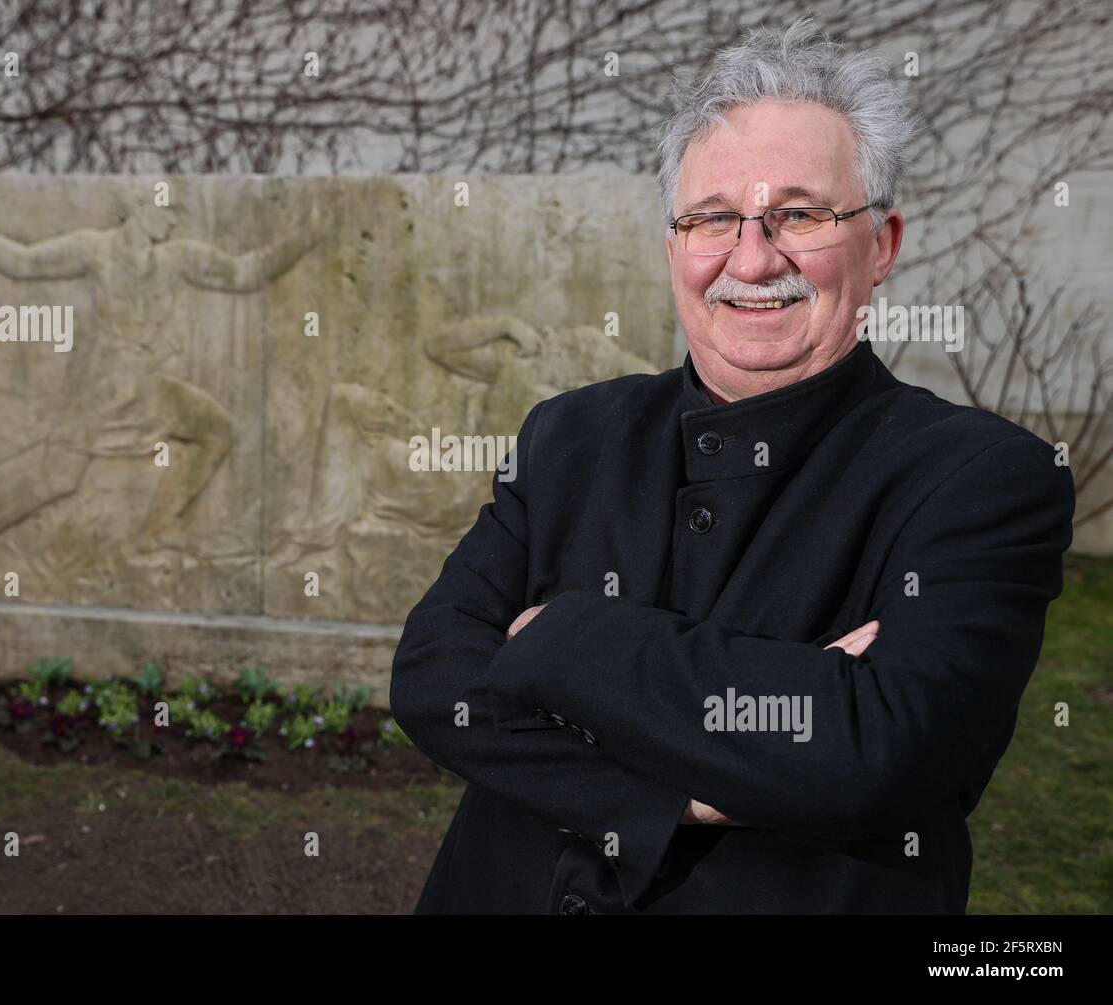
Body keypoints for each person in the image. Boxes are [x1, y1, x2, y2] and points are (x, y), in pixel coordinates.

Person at [389, 16, 1075, 914]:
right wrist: (700, 784)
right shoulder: (570, 434)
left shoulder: (982, 478)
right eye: (713, 217)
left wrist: (563, 639)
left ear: (882, 246)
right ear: (674, 244)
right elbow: (433, 680)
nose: (751, 259)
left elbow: (872, 754)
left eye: (800, 213)